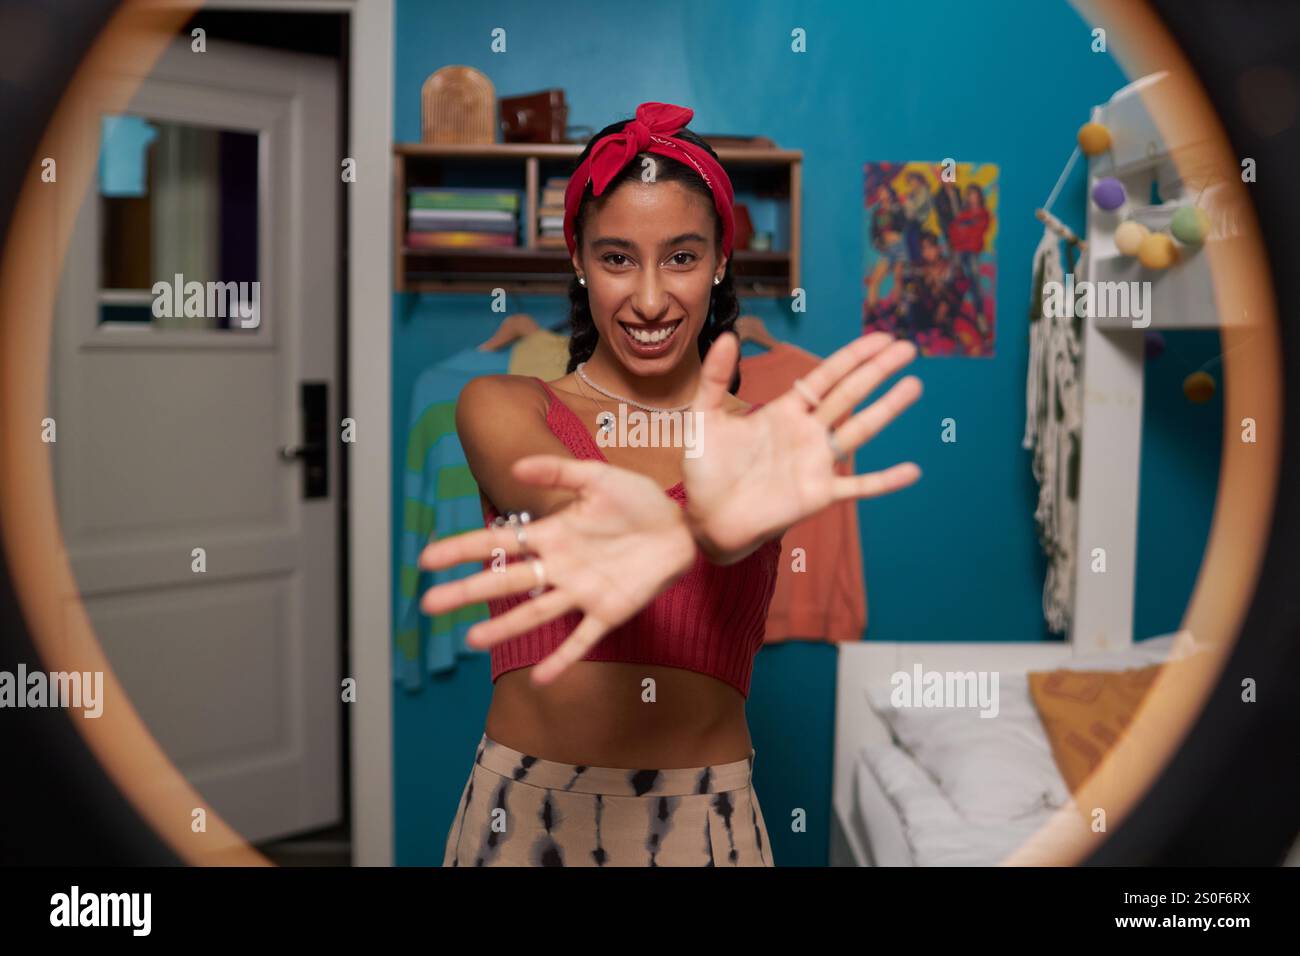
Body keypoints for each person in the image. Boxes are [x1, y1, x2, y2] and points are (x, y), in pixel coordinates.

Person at [420, 101, 923, 867]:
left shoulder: (760, 440)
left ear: (721, 261)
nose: (650, 300)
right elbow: (558, 496)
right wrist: (660, 529)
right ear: (578, 261)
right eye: (618, 258)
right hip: (523, 812)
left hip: (705, 821)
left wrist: (710, 530)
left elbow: (733, 523)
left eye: (681, 258)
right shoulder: (503, 404)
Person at [947, 183, 992, 330]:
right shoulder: (963, 213)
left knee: (975, 281)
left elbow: (977, 232)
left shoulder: (984, 213)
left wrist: (964, 230)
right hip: (959, 250)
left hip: (972, 251)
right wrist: (965, 229)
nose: (972, 197)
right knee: (951, 279)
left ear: (979, 196)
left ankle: (980, 317)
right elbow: (954, 230)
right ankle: (949, 314)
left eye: (975, 194)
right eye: (970, 194)